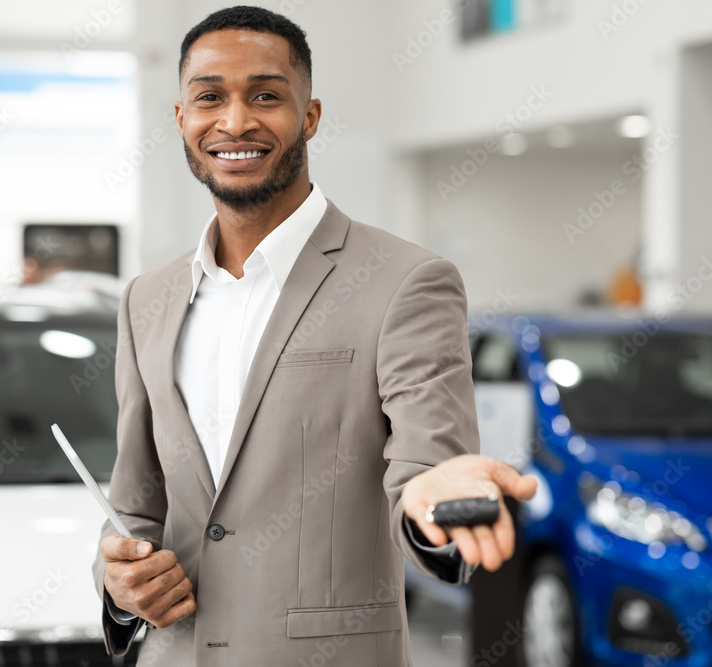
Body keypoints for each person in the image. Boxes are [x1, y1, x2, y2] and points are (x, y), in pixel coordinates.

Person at [91, 6, 538, 665]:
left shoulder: (406, 281)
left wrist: (433, 503)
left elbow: (426, 467)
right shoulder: (145, 299)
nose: (235, 121)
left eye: (266, 96)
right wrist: (118, 582)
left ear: (310, 116)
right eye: (209, 97)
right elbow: (134, 505)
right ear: (181, 119)